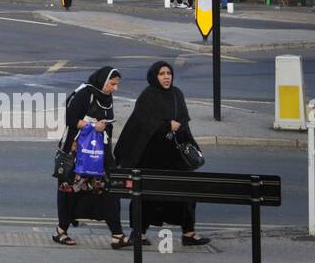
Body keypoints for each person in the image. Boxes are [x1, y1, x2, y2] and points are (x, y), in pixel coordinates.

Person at [114, 61, 211, 246]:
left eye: (168, 73)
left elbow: (184, 123)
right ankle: (139, 234)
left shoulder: (177, 94)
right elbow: (142, 125)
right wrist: (167, 126)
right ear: (154, 76)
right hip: (151, 156)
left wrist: (194, 145)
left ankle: (188, 233)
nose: (166, 77)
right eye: (161, 73)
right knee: (145, 196)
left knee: (186, 191)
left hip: (175, 156)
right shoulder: (147, 96)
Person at [54, 66, 134, 249]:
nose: (115, 89)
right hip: (77, 153)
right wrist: (93, 125)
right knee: (70, 192)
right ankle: (60, 231)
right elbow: (70, 119)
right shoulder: (84, 93)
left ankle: (117, 235)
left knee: (108, 190)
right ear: (102, 81)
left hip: (100, 153)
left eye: (116, 85)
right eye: (112, 84)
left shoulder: (106, 97)